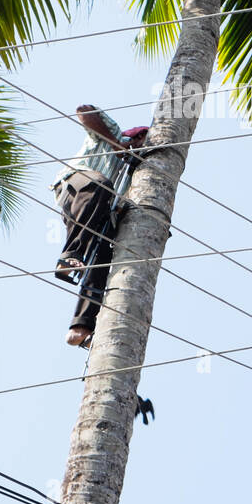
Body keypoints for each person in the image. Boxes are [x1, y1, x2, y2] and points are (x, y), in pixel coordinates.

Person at [52, 105, 149, 348]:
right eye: (141, 143)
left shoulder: (130, 173)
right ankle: (70, 255)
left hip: (91, 209)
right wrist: (117, 144)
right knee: (102, 184)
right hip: (76, 185)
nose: (140, 149)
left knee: (104, 249)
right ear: (135, 136)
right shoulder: (114, 133)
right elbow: (84, 111)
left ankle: (81, 327)